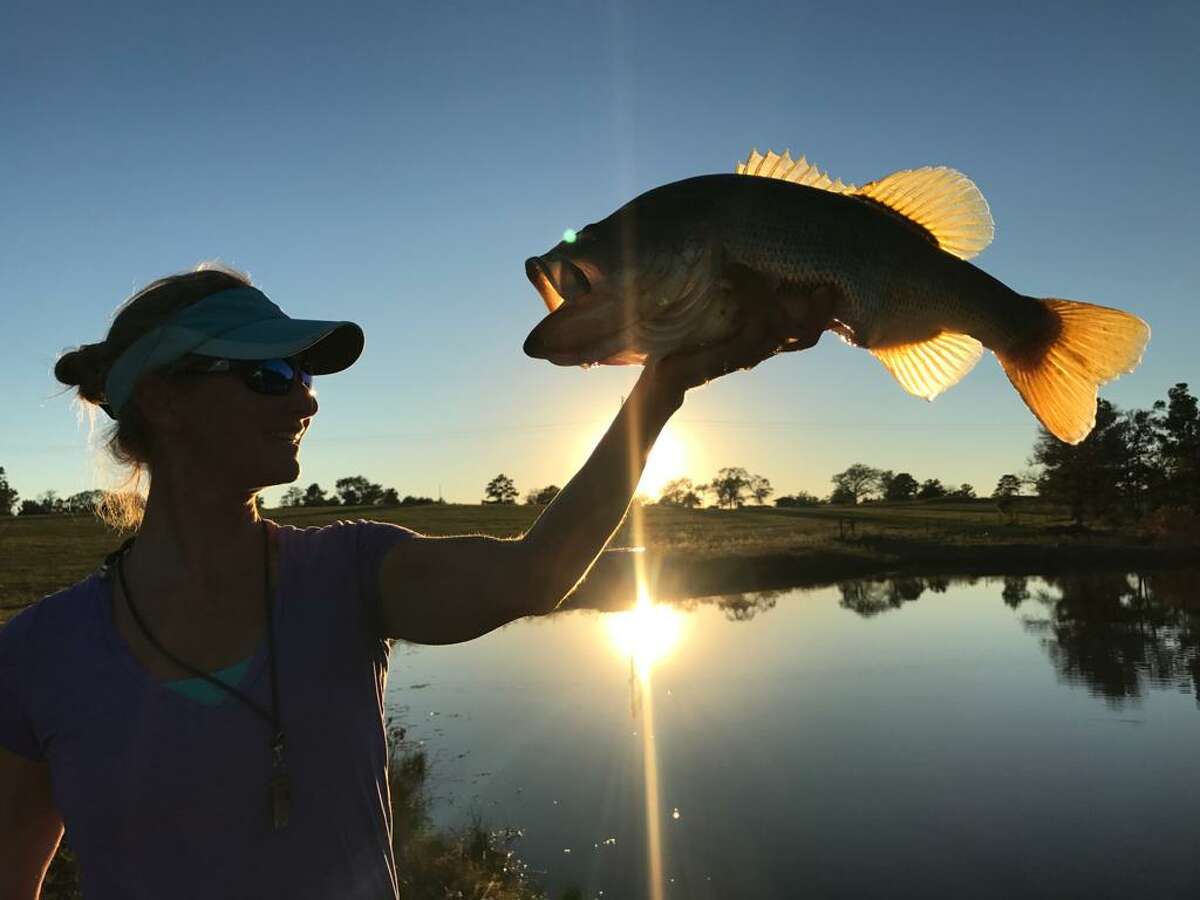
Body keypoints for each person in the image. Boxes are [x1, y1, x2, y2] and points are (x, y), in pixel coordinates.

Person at [0, 261, 820, 899]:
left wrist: (660, 389)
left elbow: (534, 574)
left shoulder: (350, 574)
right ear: (165, 400)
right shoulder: (37, 655)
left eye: (306, 375)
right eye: (272, 375)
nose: (307, 399)